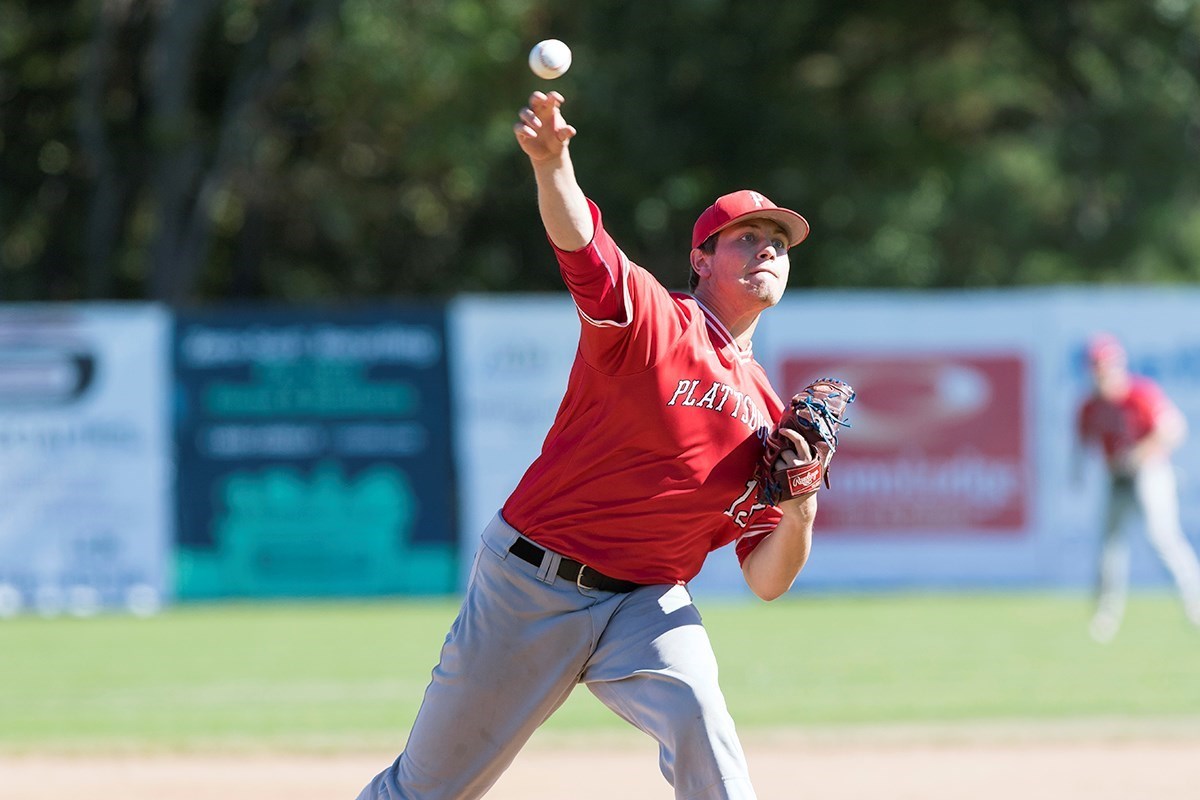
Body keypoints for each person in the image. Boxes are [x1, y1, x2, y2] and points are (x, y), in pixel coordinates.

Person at [356, 90, 821, 799]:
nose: (767, 251)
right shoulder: (654, 322)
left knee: (703, 721)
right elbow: (582, 246)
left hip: (646, 604)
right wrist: (553, 165)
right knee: (427, 790)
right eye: (746, 238)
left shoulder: (768, 412)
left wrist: (802, 505)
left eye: (778, 244)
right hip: (533, 587)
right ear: (700, 261)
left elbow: (766, 581)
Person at [1074, 332, 1200, 643]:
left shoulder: (1140, 394)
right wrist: (1076, 472)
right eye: (1095, 367)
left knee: (1162, 538)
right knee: (1108, 548)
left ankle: (1194, 602)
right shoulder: (1090, 405)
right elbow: (1082, 441)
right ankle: (1105, 615)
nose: (1099, 373)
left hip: (1149, 472)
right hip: (1115, 477)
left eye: (1104, 366)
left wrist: (1139, 454)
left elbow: (1174, 429)